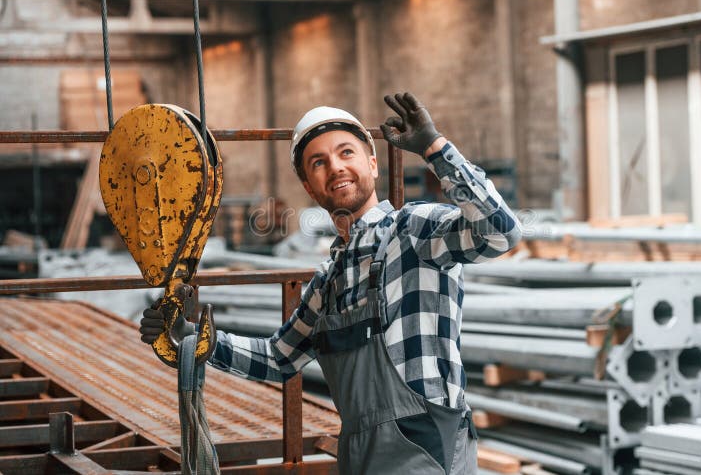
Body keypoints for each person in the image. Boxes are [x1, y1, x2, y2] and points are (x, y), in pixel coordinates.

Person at [140, 92, 521, 474]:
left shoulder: (415, 233)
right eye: (318, 163)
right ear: (309, 187)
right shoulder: (328, 282)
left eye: (346, 153)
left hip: (426, 449)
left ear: (373, 164)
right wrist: (192, 337)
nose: (335, 168)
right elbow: (279, 358)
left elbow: (500, 232)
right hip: (359, 455)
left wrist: (434, 148)